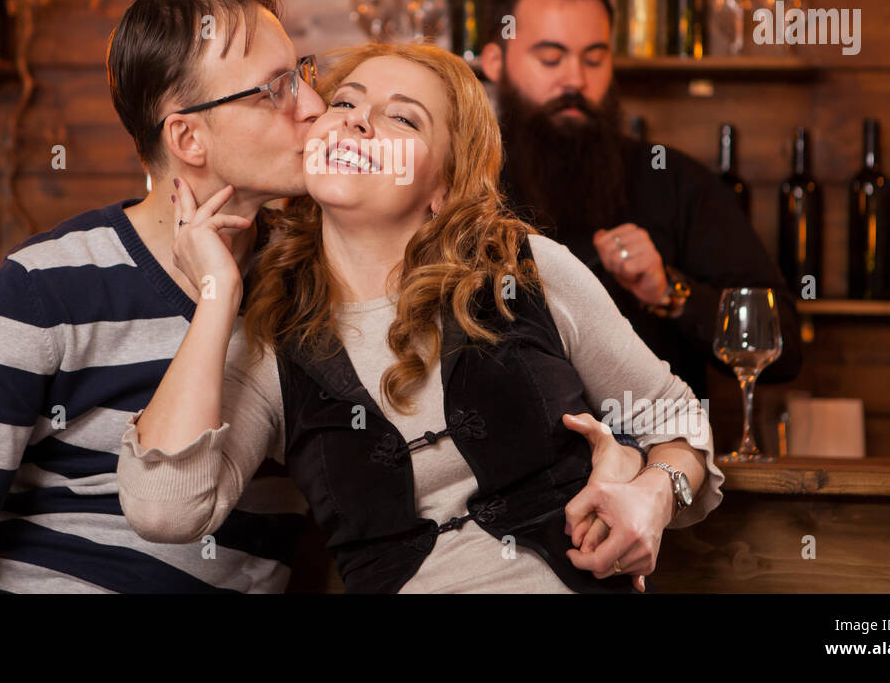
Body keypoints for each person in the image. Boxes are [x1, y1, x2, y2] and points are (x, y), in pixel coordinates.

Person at [117, 41, 725, 593]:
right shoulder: (274, 335)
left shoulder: (526, 267)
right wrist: (217, 293)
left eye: (402, 117)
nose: (359, 119)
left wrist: (654, 493)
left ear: (444, 186)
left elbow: (673, 416)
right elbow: (167, 511)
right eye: (345, 102)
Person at [0, 0, 325, 593]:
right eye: (276, 90)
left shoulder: (315, 287)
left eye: (303, 73)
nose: (314, 106)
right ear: (189, 138)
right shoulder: (47, 283)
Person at [478, 0, 802, 402]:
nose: (575, 79)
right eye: (550, 58)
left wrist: (670, 291)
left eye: (594, 58)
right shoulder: (458, 186)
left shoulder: (674, 181)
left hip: (660, 462)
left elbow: (781, 345)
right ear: (494, 60)